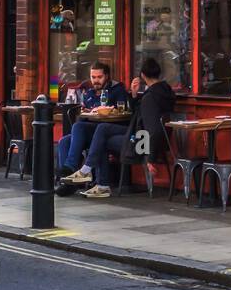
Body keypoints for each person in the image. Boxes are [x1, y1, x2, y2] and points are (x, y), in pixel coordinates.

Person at [62, 58, 176, 198]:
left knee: (102, 136)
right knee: (99, 131)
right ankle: (93, 179)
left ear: (142, 76)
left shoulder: (150, 98)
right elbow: (142, 118)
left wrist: (149, 157)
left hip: (141, 142)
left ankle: (91, 175)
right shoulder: (162, 92)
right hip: (143, 137)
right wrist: (134, 96)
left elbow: (152, 129)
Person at [57, 62, 129, 178]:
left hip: (110, 130)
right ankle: (67, 180)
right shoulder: (89, 93)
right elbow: (84, 115)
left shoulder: (117, 89)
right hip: (92, 129)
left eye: (99, 77)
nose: (96, 80)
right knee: (64, 141)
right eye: (93, 77)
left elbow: (122, 110)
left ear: (107, 76)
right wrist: (87, 112)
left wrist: (108, 110)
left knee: (78, 127)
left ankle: (71, 167)